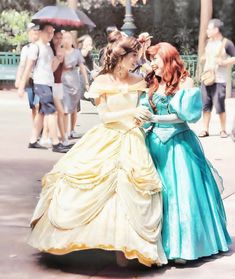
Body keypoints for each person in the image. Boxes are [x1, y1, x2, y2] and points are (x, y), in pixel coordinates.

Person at [27, 37, 167, 267]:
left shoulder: (138, 80)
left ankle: (125, 247)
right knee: (90, 182)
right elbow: (105, 117)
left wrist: (142, 114)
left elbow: (148, 104)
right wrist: (130, 113)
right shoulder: (101, 81)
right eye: (133, 57)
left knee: (129, 188)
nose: (136, 61)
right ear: (122, 57)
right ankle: (81, 240)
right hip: (107, 135)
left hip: (132, 138)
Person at [139, 42, 231, 263]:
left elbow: (185, 117)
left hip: (179, 145)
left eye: (155, 59)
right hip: (154, 143)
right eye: (150, 59)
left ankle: (185, 247)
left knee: (182, 194)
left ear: (168, 59)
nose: (152, 64)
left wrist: (154, 118)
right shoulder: (153, 81)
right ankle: (158, 245)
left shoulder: (185, 81)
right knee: (158, 193)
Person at [17, 24, 69, 153]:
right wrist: (21, 86)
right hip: (40, 83)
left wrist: (58, 58)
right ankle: (56, 143)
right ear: (40, 32)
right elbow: (28, 67)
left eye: (52, 32)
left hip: (48, 82)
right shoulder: (35, 47)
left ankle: (33, 140)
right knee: (52, 112)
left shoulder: (48, 48)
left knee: (41, 112)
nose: (50, 35)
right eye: (48, 32)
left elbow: (51, 68)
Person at [199, 18, 235, 138]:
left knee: (220, 105)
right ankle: (205, 129)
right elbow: (206, 56)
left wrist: (224, 62)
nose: (207, 31)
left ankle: (223, 130)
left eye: (209, 29)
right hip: (207, 78)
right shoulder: (209, 43)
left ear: (216, 29)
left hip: (219, 79)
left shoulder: (226, 43)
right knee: (205, 105)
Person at [61, 31, 89, 139]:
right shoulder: (59, 52)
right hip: (62, 81)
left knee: (73, 108)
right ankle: (64, 131)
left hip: (74, 81)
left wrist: (86, 82)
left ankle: (72, 129)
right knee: (64, 108)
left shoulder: (77, 52)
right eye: (65, 38)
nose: (67, 40)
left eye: (69, 38)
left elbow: (82, 67)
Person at [15, 22, 40, 120]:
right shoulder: (26, 48)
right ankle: (36, 127)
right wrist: (18, 79)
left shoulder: (43, 47)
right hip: (30, 80)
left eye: (37, 33)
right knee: (33, 106)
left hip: (40, 80)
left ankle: (39, 129)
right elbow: (22, 65)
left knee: (38, 104)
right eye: (33, 33)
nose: (35, 35)